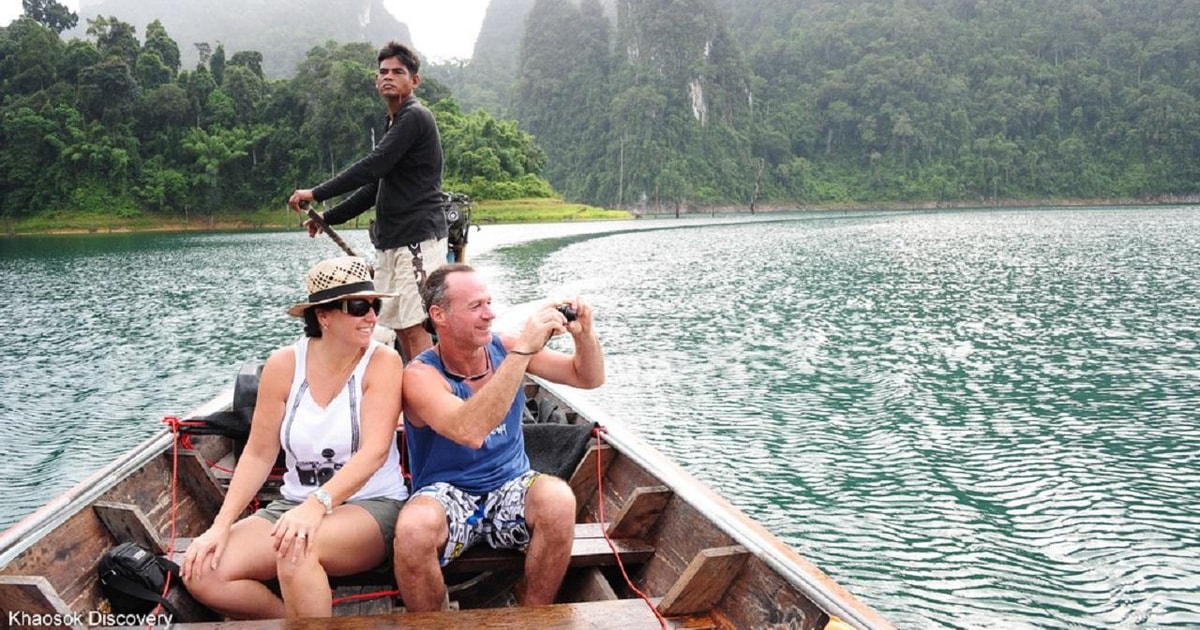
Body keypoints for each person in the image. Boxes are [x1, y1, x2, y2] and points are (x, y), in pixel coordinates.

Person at [181, 256, 407, 619]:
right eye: (359, 306)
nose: (372, 317)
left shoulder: (382, 362)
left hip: (370, 504)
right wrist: (219, 526)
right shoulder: (284, 364)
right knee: (203, 572)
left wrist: (316, 506)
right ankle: (299, 620)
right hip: (294, 508)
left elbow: (375, 452)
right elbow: (258, 453)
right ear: (324, 316)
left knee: (296, 548)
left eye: (375, 305)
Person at [394, 263, 606, 611]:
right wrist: (522, 352)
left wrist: (585, 334)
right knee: (414, 529)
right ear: (439, 315)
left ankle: (532, 615)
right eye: (476, 306)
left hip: (510, 486)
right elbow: (469, 431)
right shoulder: (420, 375)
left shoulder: (503, 348)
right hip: (447, 495)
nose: (489, 314)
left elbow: (588, 377)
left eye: (489, 303)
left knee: (558, 500)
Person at [288, 41, 447, 363]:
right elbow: (376, 186)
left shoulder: (415, 116)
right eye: (383, 72)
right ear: (377, 80)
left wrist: (315, 193)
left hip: (416, 238)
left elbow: (373, 165)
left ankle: (429, 402)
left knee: (416, 328)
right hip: (392, 241)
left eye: (398, 72)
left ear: (414, 81)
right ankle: (413, 394)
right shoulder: (395, 121)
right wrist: (327, 218)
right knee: (398, 326)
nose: (388, 77)